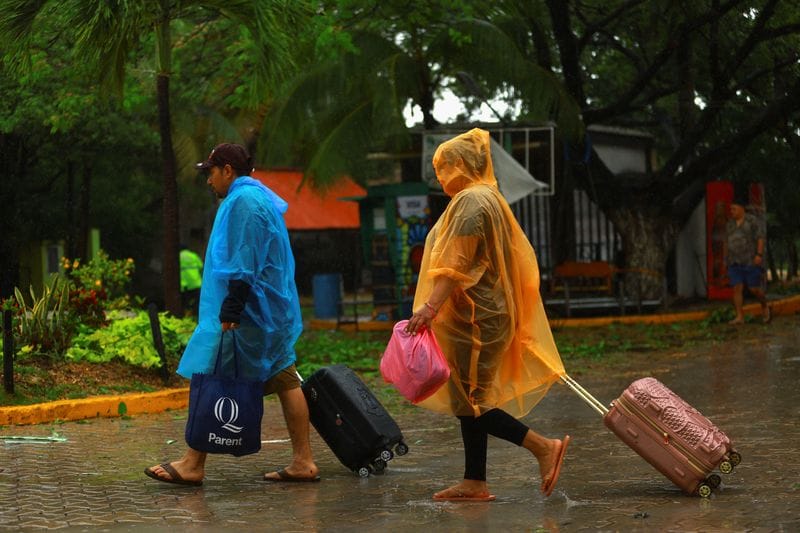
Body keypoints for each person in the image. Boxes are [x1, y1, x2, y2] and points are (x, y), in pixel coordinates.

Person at [404, 128, 570, 502]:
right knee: (468, 396)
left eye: (444, 166)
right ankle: (474, 481)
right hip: (477, 315)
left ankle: (544, 447)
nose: (440, 176)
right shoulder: (485, 197)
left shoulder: (472, 202)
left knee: (475, 401)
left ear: (461, 164)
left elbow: (455, 264)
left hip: (479, 317)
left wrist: (430, 308)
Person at [145, 143, 319, 486]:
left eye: (210, 172)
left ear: (227, 170)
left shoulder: (243, 202)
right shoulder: (259, 198)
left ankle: (193, 463)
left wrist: (232, 307)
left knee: (212, 373)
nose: (208, 180)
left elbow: (244, 258)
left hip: (251, 312)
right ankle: (304, 461)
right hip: (270, 310)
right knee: (285, 377)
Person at [724, 187, 770, 324]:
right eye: (731, 209)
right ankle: (739, 316)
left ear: (741, 208)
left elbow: (760, 238)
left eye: (734, 209)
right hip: (734, 261)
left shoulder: (752, 221)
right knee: (736, 288)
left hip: (750, 260)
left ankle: (765, 306)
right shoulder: (730, 224)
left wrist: (759, 255)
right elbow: (726, 242)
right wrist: (725, 259)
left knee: (754, 288)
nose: (732, 212)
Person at [179, 244, 203, 316]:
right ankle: (195, 315)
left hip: (185, 284)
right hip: (196, 283)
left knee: (185, 303)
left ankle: (187, 316)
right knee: (197, 302)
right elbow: (201, 266)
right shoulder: (193, 255)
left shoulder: (178, 256)